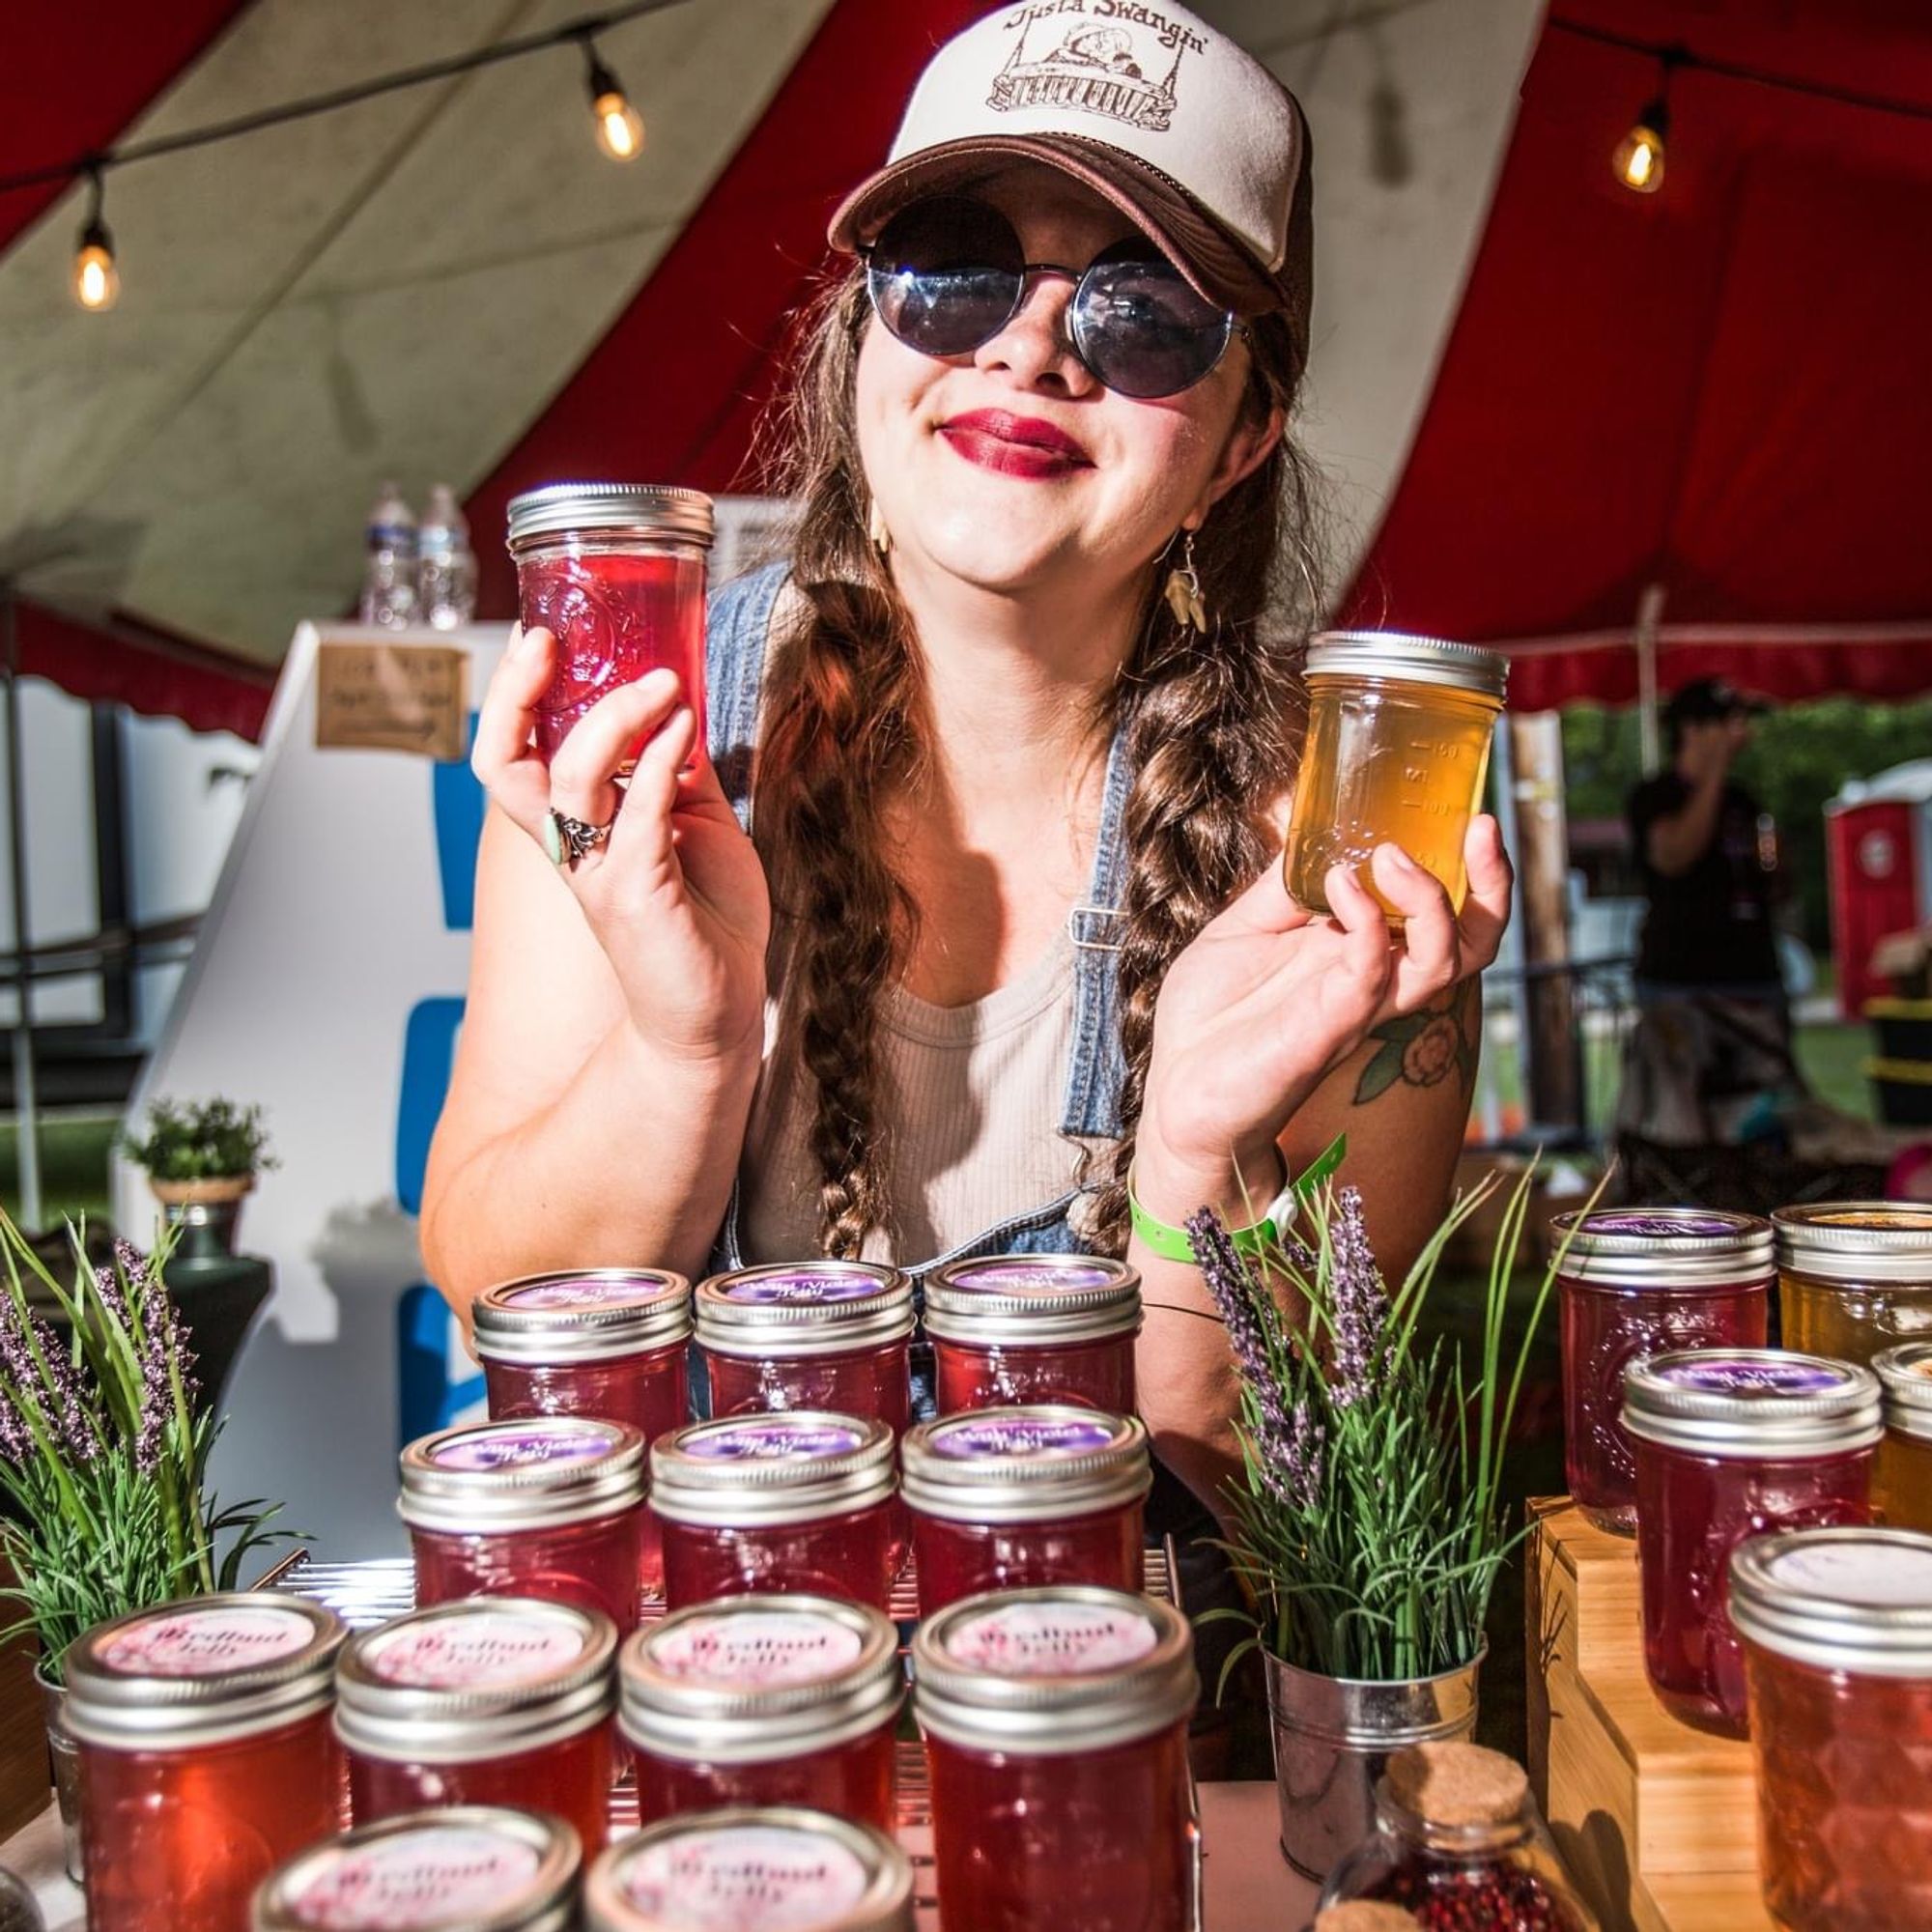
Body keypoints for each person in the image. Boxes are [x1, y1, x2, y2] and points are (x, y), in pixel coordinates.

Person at [421, 0, 1512, 1533]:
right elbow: (500, 1291)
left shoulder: (1332, 850)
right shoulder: (658, 739)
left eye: (1145, 308)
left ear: (1247, 431)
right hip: (731, 1685)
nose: (1031, 341)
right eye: (951, 268)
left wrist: (1199, 1158)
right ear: (865, 328)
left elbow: (1290, 1513)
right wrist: (684, 1052)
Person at [1619, 677, 1795, 1146]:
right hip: (1681, 981)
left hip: (1753, 975)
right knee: (1681, 1121)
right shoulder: (1656, 796)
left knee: (1763, 1111)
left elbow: (1773, 883)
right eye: (1728, 723)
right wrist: (1713, 768)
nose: (1742, 733)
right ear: (1693, 730)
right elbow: (1673, 856)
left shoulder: (1745, 801)